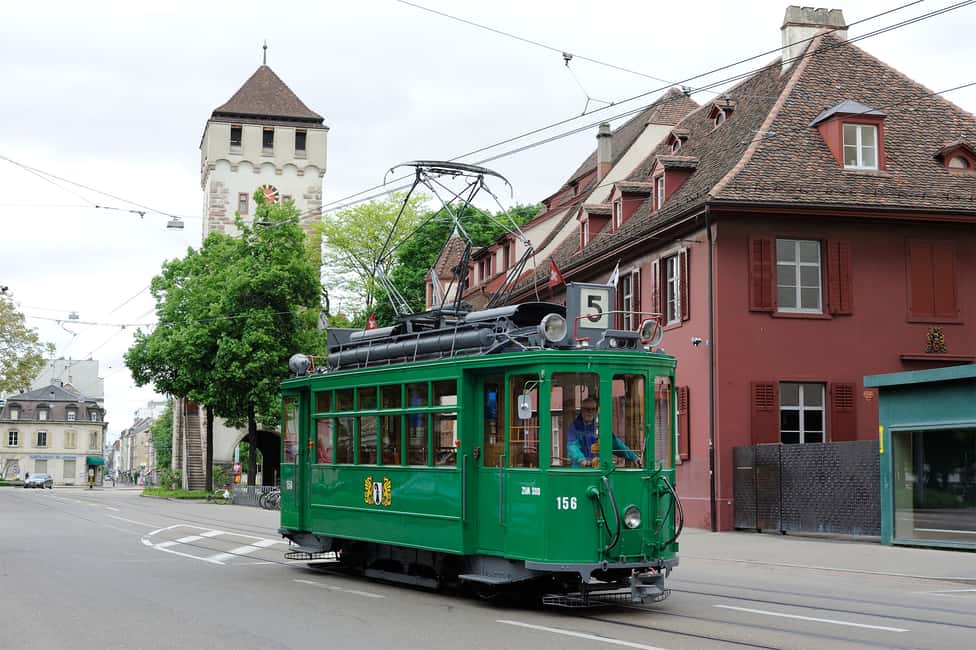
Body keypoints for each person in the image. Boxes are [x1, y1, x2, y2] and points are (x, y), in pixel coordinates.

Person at [566, 398, 641, 468]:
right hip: (581, 471)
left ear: (596, 411)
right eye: (587, 409)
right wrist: (581, 460)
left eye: (593, 409)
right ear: (582, 410)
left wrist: (634, 457)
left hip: (600, 469)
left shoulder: (601, 427)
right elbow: (572, 446)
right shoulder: (574, 428)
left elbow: (616, 444)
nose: (590, 412)